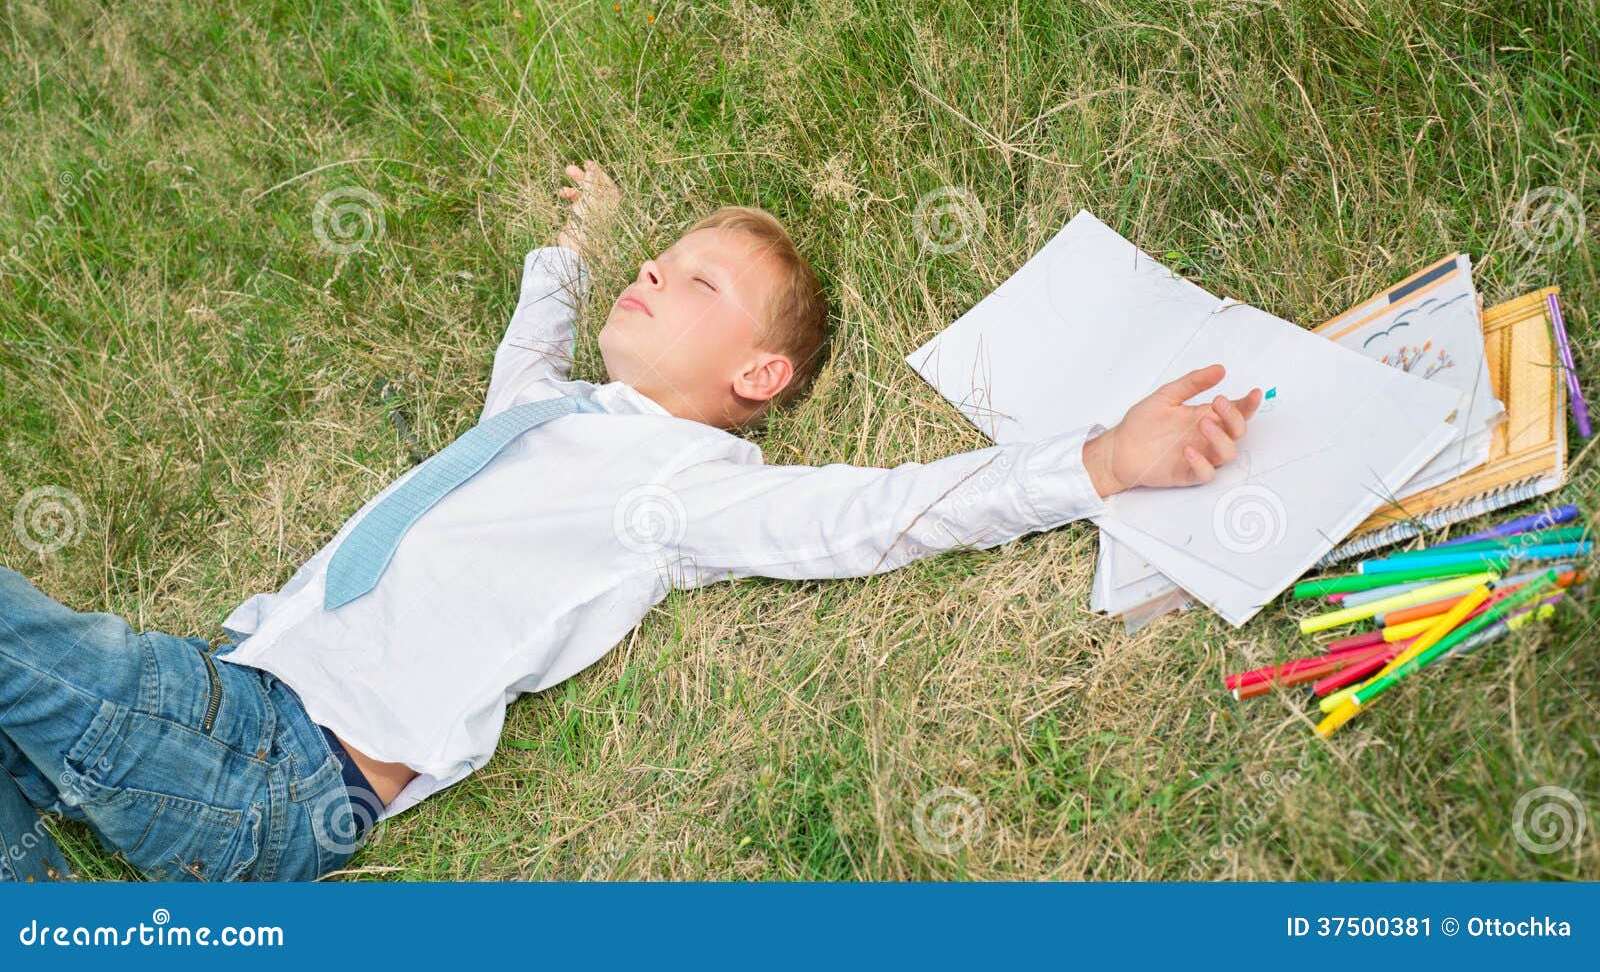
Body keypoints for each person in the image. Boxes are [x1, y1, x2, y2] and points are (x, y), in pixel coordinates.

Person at [0, 162, 1260, 882]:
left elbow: (879, 512)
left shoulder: (677, 484)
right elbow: (529, 339)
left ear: (756, 379)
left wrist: (1097, 458)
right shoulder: (542, 408)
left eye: (694, 279)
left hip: (272, 768)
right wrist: (574, 245)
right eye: (657, 259)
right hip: (217, 694)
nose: (654, 273)